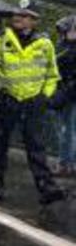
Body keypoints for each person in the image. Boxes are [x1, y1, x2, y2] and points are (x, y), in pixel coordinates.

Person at [0, 5, 66, 204]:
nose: (18, 17)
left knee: (36, 145)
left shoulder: (44, 44)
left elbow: (52, 74)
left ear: (34, 20)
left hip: (32, 100)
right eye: (16, 14)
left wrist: (45, 95)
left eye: (25, 15)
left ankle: (46, 187)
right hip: (5, 98)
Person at [52, 15, 76, 175]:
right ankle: (69, 162)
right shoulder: (62, 46)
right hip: (65, 92)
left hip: (68, 94)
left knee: (66, 129)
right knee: (68, 129)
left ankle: (66, 163)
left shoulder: (67, 49)